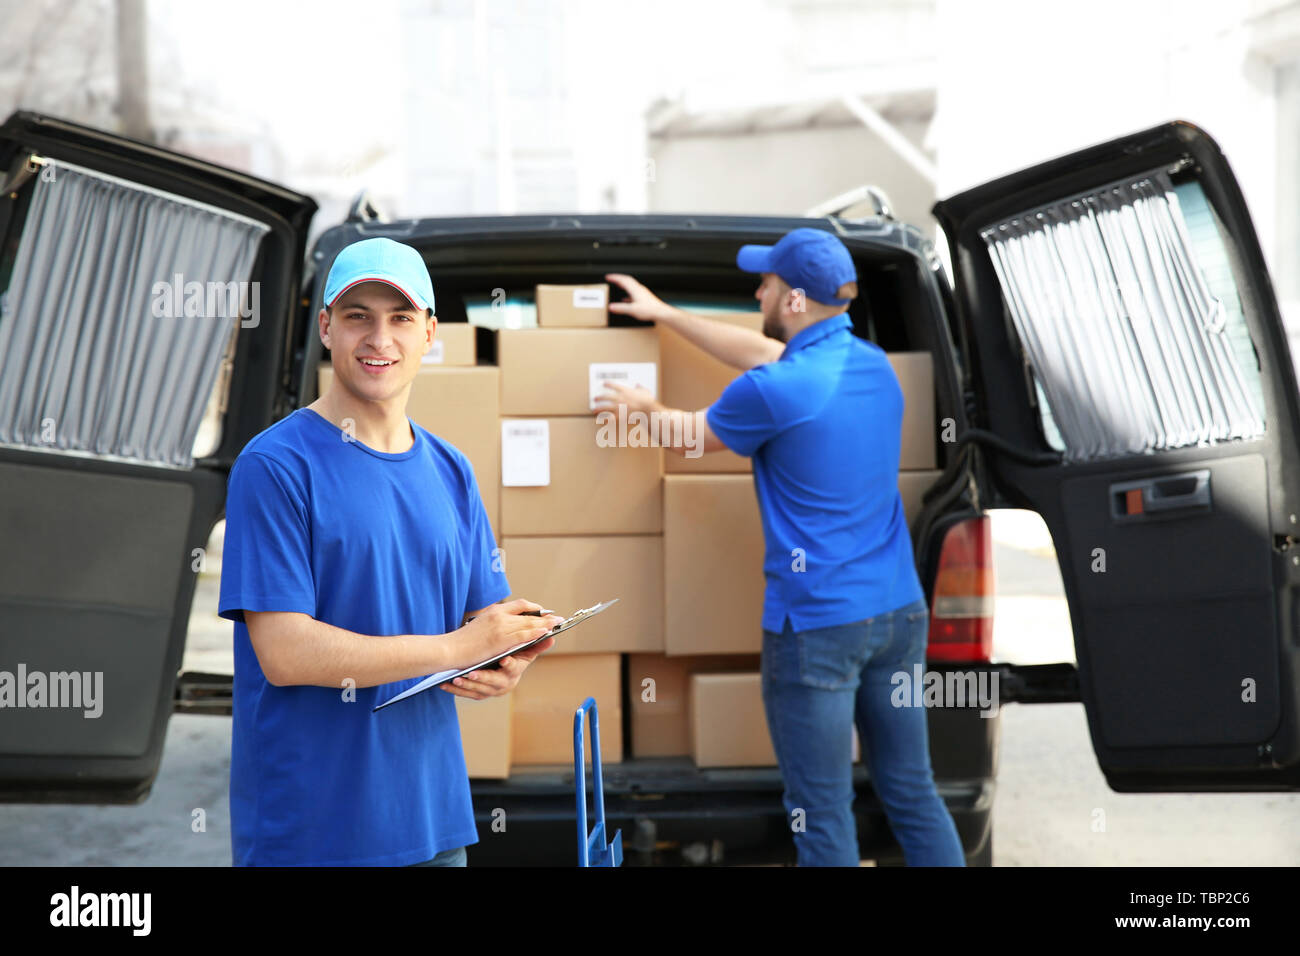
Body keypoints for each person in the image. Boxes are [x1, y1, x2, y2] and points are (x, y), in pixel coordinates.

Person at [594, 227, 965, 866]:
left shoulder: (776, 391)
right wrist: (664, 315)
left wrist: (638, 403)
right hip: (899, 614)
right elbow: (765, 355)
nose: (757, 289)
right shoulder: (872, 367)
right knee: (911, 790)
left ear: (793, 301)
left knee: (820, 811)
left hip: (818, 626)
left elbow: (687, 434)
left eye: (765, 282)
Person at [217, 237, 562, 867]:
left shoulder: (451, 469)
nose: (381, 339)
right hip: (314, 833)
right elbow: (286, 653)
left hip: (432, 823)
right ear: (326, 328)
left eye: (401, 318)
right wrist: (463, 648)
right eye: (358, 317)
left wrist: (510, 650)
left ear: (430, 333)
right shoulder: (275, 466)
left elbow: (477, 621)